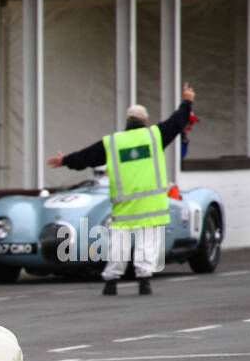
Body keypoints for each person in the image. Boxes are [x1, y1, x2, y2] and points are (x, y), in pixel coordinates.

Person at [48, 83, 196, 296]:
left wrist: (64, 161)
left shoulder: (113, 143)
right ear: (145, 122)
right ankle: (144, 279)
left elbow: (87, 156)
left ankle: (111, 281)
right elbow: (177, 121)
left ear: (127, 122)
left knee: (118, 244)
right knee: (147, 243)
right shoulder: (155, 136)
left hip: (124, 206)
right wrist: (187, 101)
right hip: (151, 205)